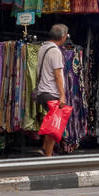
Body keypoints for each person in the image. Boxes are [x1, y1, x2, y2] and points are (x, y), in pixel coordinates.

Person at [36, 24, 68, 157]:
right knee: (54, 126)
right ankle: (47, 156)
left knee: (51, 122)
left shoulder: (43, 47)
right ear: (62, 37)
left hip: (43, 91)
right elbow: (57, 75)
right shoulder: (55, 51)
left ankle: (44, 148)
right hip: (51, 93)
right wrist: (62, 95)